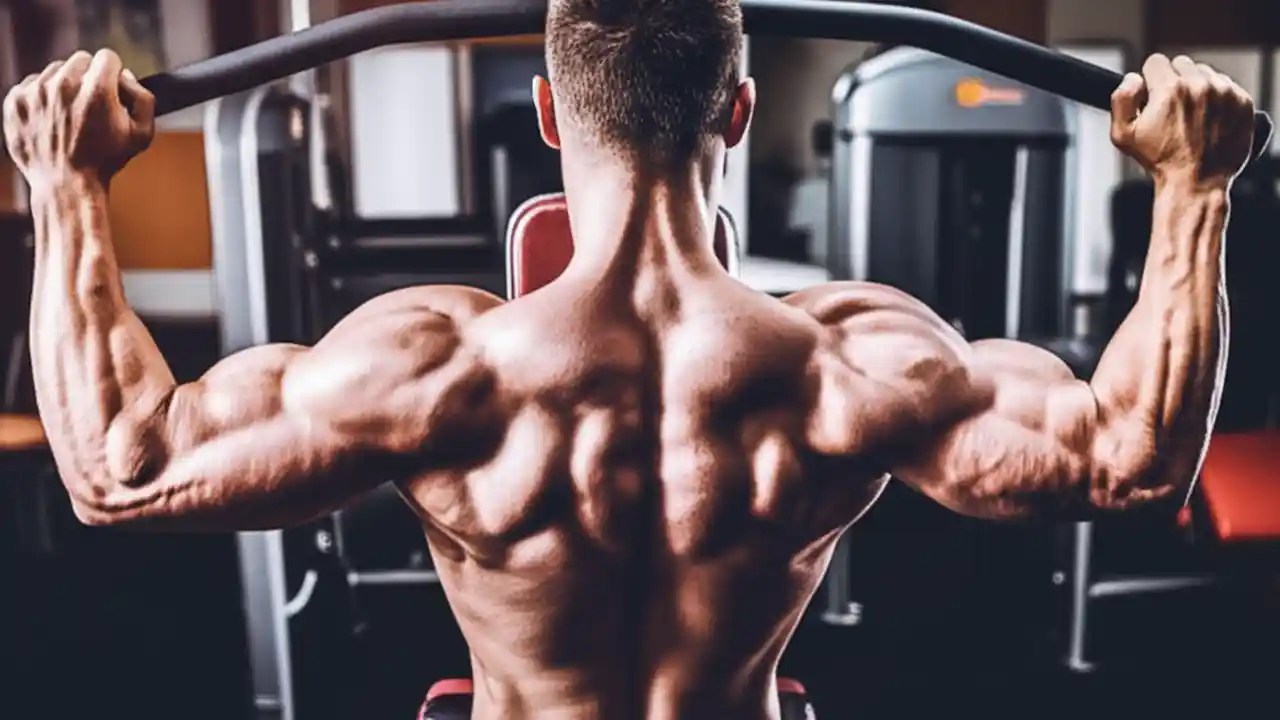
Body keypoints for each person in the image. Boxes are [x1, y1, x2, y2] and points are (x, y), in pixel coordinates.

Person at [2, 0, 1256, 716]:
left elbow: (121, 469)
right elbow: (1128, 460)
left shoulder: (435, 366)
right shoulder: (849, 361)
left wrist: (66, 187)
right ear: (738, 113)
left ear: (551, 113)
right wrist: (1192, 191)